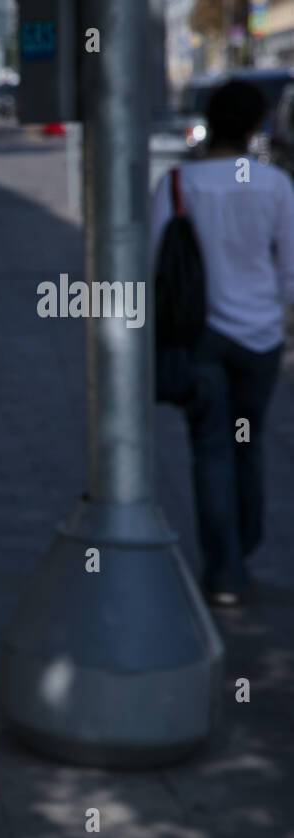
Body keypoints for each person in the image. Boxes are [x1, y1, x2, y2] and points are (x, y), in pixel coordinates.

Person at [151, 79, 294, 606]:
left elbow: (155, 268)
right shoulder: (275, 184)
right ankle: (245, 542)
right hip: (259, 343)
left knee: (210, 449)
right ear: (257, 125)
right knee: (246, 442)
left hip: (202, 340)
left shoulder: (175, 185)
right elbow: (291, 274)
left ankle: (224, 569)